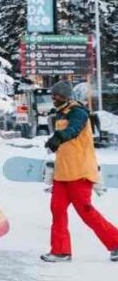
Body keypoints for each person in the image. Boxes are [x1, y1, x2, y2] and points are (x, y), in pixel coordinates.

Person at [40, 81, 118, 263]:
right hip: (62, 173)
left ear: (67, 96)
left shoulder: (78, 112)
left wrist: (58, 138)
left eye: (57, 96)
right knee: (57, 210)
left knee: (86, 212)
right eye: (53, 95)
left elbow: (73, 130)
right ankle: (60, 251)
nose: (54, 98)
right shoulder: (61, 112)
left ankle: (116, 242)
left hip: (80, 172)